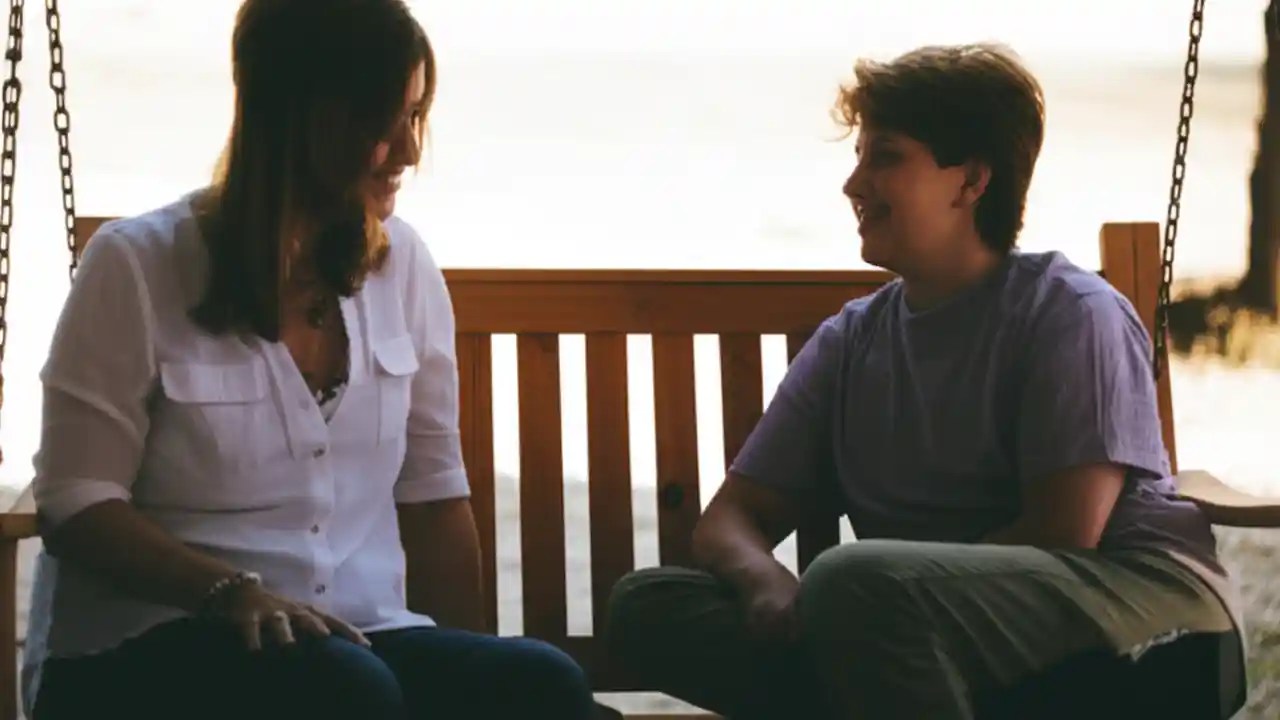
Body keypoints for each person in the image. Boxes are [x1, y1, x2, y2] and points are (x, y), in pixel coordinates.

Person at [606, 43, 1241, 719]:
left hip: (1142, 626)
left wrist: (885, 593)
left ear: (970, 181)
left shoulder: (1068, 314)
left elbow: (1064, 533)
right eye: (858, 157)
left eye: (884, 156)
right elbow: (728, 520)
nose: (853, 184)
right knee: (648, 606)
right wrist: (766, 581)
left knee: (853, 582)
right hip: (915, 633)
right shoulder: (852, 343)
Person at [21, 1, 595, 719]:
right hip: (150, 647)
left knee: (538, 683)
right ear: (304, 118)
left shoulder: (404, 268)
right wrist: (229, 591)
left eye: (416, 115)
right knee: (345, 692)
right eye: (385, 120)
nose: (411, 150)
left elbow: (434, 495)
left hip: (363, 640)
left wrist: (465, 675)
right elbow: (77, 504)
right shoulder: (137, 267)